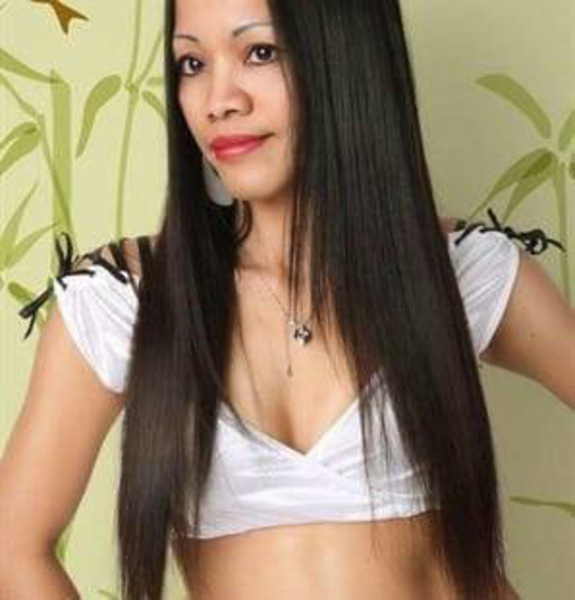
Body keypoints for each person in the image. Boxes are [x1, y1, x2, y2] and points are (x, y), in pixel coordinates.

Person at [1, 0, 572, 598]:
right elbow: (13, 549)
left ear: (345, 60)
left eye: (260, 52)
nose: (219, 100)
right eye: (192, 63)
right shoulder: (125, 300)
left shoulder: (456, 272)